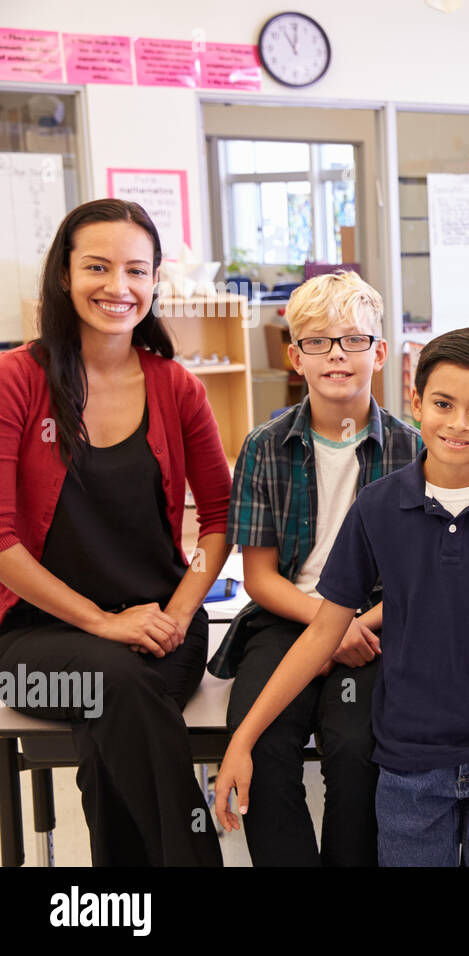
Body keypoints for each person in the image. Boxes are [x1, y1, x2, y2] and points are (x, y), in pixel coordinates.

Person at [215, 328, 469, 866]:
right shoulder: (377, 508)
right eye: (443, 404)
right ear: (415, 402)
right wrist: (244, 738)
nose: (458, 423)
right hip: (408, 766)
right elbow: (322, 633)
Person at [0, 198, 230, 865]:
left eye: (136, 270)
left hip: (164, 635)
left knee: (113, 729)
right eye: (97, 267)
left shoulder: (176, 387)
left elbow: (219, 520)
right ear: (64, 275)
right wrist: (104, 623)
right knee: (111, 687)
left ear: (156, 280)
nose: (118, 287)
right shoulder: (17, 380)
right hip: (30, 654)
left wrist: (180, 611)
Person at [210, 271, 421, 866]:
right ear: (295, 355)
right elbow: (260, 578)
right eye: (318, 341)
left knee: (358, 746)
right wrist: (331, 627)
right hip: (286, 617)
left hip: (376, 626)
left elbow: (417, 578)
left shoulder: (414, 450)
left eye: (353, 340)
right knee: (264, 744)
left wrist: (355, 627)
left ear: (379, 353)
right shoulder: (263, 445)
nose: (336, 354)